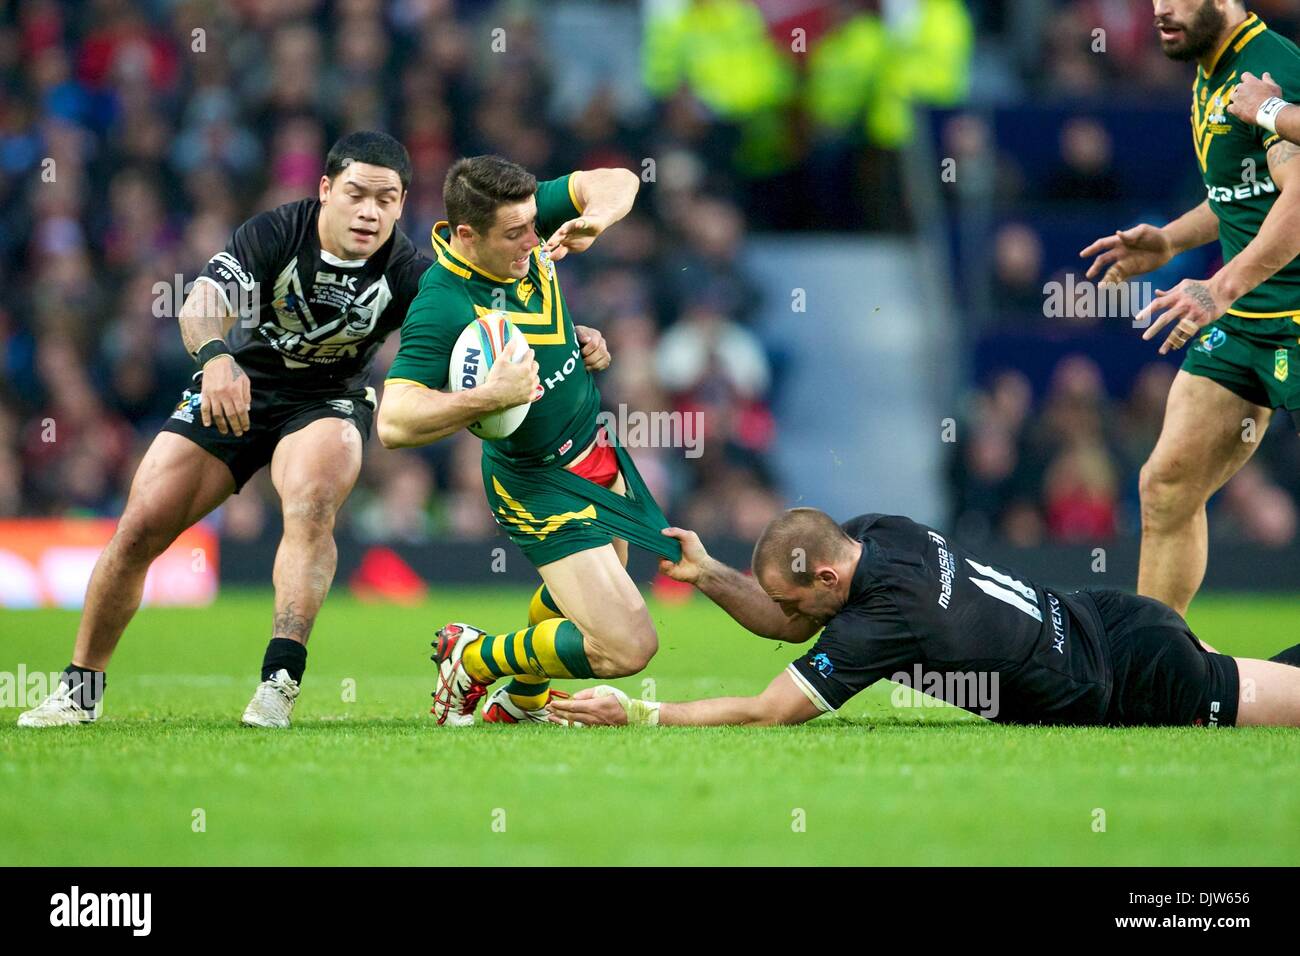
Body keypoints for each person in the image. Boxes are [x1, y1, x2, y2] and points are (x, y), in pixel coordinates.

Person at [19, 131, 435, 729]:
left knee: (314, 501)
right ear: (325, 190)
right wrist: (216, 357)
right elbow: (202, 301)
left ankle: (278, 684)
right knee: (139, 527)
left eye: (386, 199)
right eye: (356, 193)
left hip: (327, 400)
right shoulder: (274, 233)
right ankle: (78, 692)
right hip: (238, 387)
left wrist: (564, 342)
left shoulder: (409, 269)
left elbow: (481, 320)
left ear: (401, 205)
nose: (369, 211)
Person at [378, 155, 680, 726]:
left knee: (578, 606)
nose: (531, 242)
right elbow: (394, 421)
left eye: (533, 226)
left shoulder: (524, 215)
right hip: (537, 482)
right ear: (467, 235)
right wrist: (491, 396)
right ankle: (469, 658)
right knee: (628, 647)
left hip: (597, 451)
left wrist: (596, 222)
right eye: (515, 235)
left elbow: (620, 181)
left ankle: (522, 703)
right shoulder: (442, 301)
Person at [549, 508, 1300, 729]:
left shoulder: (886, 625)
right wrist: (710, 573)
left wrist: (643, 714)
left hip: (1132, 679)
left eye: (791, 595)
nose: (785, 613)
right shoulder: (882, 531)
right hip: (1115, 617)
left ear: (830, 576)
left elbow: (766, 710)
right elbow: (793, 622)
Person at [1080, 2, 1300, 617]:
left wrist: (1218, 289)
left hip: (1294, 324)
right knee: (1166, 486)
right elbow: (1241, 193)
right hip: (1247, 327)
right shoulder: (1210, 70)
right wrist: (1172, 240)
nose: (1161, 9)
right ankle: (1159, 666)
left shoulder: (1271, 73)